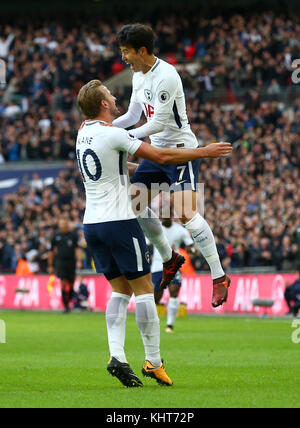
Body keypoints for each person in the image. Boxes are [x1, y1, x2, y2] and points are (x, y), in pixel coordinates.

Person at [76, 79, 232, 388]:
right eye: (109, 94)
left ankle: (117, 355)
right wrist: (203, 152)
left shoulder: (83, 133)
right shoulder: (115, 134)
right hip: (120, 221)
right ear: (104, 105)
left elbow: (121, 167)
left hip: (91, 224)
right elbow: (160, 156)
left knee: (120, 291)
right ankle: (154, 361)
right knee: (146, 289)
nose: (114, 95)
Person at [113, 23, 231, 308]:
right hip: (156, 152)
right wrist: (104, 128)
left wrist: (122, 136)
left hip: (180, 150)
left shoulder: (166, 76)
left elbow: (159, 123)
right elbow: (133, 114)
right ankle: (169, 259)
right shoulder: (138, 75)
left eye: (126, 52)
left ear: (142, 50)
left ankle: (219, 276)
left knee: (186, 213)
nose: (123, 58)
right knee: (135, 204)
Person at [151, 217, 197, 333]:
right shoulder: (155, 228)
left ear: (171, 215)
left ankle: (170, 325)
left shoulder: (180, 230)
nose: (165, 217)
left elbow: (190, 246)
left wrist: (192, 250)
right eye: (162, 215)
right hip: (157, 264)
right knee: (156, 296)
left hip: (174, 264)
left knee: (174, 292)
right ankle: (151, 321)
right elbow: (146, 243)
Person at [48, 218, 82, 313]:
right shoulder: (56, 236)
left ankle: (69, 301)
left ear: (67, 225)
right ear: (59, 225)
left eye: (64, 224)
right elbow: (51, 251)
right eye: (61, 224)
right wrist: (50, 265)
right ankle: (65, 305)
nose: (63, 226)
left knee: (71, 283)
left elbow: (77, 249)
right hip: (60, 262)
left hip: (71, 261)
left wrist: (79, 260)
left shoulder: (73, 236)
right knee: (63, 282)